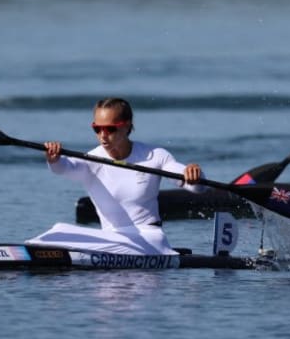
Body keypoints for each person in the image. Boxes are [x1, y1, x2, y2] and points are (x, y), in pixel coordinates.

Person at [25, 97, 206, 255]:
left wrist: (193, 174)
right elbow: (63, 168)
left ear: (127, 126)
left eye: (110, 129)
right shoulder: (91, 160)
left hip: (150, 239)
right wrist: (54, 159)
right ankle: (27, 251)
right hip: (111, 239)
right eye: (97, 129)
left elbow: (197, 187)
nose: (103, 136)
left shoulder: (155, 155)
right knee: (60, 229)